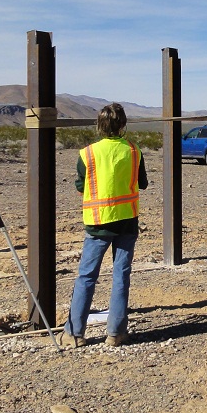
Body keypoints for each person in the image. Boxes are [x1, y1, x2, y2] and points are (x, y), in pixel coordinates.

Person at [67, 102, 148, 348]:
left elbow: (81, 185)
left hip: (97, 224)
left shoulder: (88, 153)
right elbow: (142, 183)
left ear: (100, 125)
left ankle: (74, 334)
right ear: (123, 125)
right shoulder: (134, 151)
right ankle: (116, 333)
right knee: (121, 276)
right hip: (126, 223)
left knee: (86, 277)